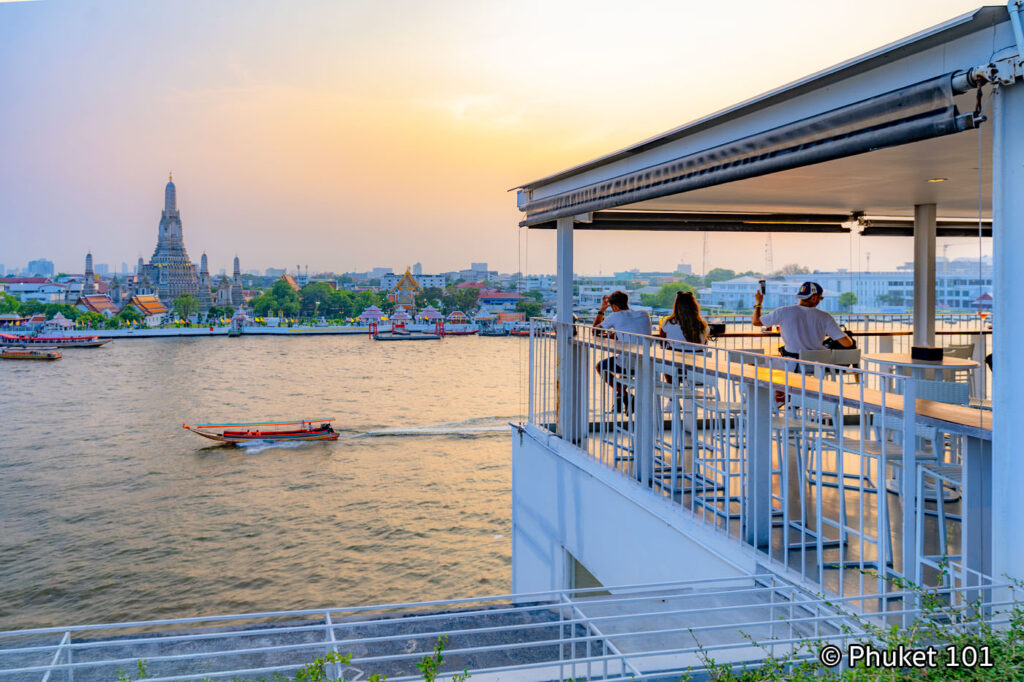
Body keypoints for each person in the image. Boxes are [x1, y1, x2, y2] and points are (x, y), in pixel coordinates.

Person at [752, 281, 853, 356]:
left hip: (792, 363)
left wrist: (758, 303)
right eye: (820, 298)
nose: (820, 301)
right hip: (818, 364)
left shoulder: (783, 311)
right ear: (814, 297)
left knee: (760, 362)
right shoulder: (825, 317)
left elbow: (756, 322)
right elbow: (847, 343)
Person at [593, 290, 651, 411]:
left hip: (628, 364)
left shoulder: (615, 315)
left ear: (614, 306)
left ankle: (625, 395)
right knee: (622, 357)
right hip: (647, 363)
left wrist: (602, 310)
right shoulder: (644, 314)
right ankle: (621, 397)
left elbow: (595, 331)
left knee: (600, 366)